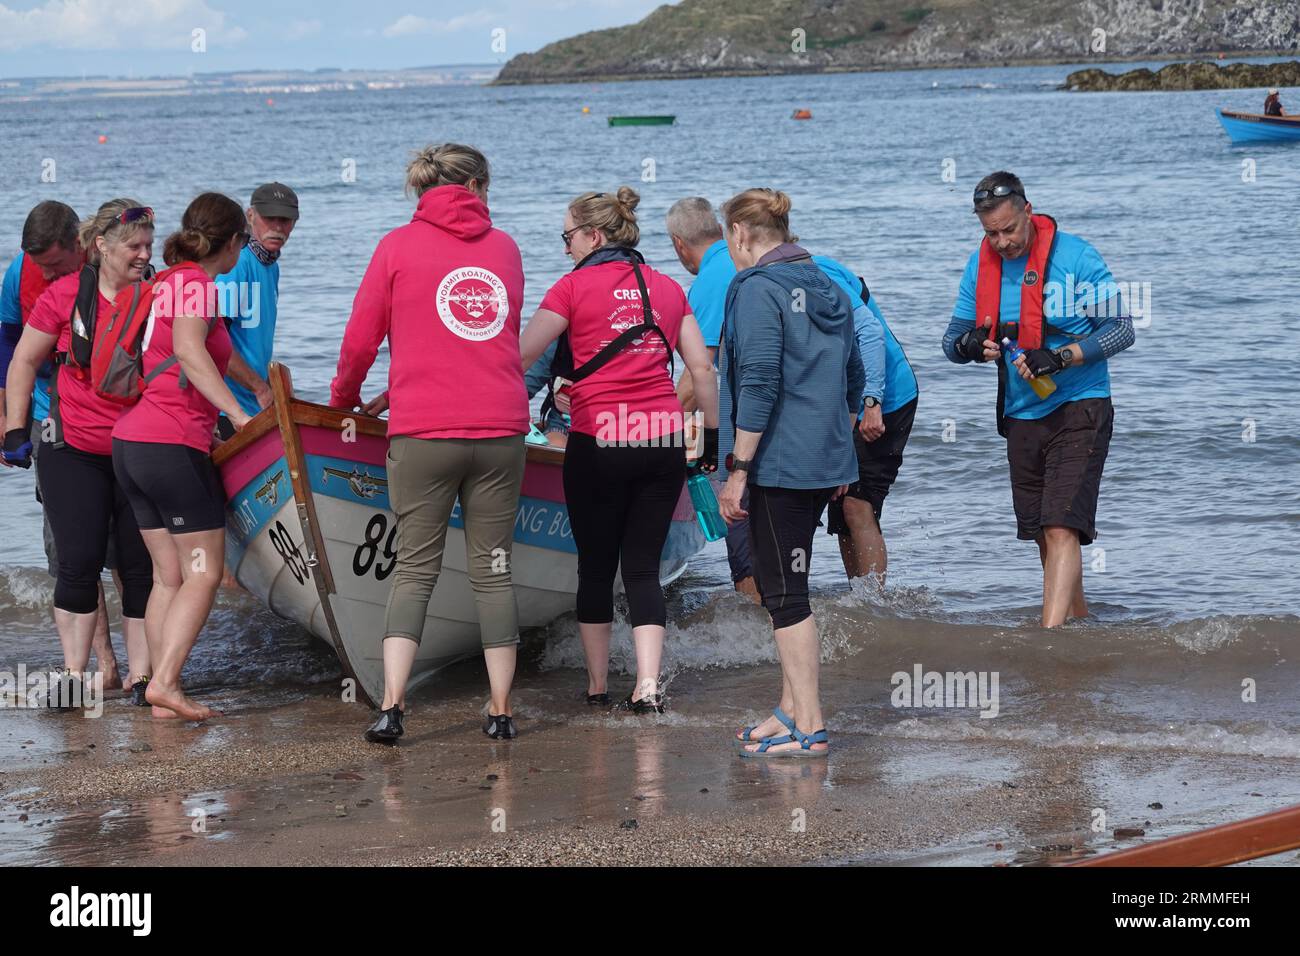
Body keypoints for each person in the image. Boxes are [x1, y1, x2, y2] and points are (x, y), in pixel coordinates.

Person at [330, 144, 529, 744]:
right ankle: (499, 712)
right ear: (475, 185)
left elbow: (361, 341)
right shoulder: (506, 248)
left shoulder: (396, 246)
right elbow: (492, 336)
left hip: (422, 432)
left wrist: (343, 401)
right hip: (499, 429)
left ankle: (391, 708)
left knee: (414, 569)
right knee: (494, 571)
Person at [520, 187, 718, 714]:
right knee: (643, 571)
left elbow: (521, 356)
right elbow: (701, 370)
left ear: (594, 235)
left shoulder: (570, 287)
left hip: (599, 441)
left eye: (568, 237)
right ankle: (649, 689)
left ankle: (597, 687)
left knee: (595, 567)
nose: (565, 248)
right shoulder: (668, 288)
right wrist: (713, 440)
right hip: (660, 441)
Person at [669, 197, 915, 589]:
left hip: (886, 393)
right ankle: (843, 612)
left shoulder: (796, 276)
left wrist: (870, 402)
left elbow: (865, 336)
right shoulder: (758, 272)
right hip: (835, 403)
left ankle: (868, 605)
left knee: (854, 506)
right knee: (815, 527)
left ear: (738, 234)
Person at [942, 171, 1135, 628]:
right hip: (1022, 413)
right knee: (1044, 536)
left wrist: (1062, 356)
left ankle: (1049, 641)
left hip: (1081, 404)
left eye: (1010, 229)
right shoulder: (980, 264)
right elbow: (950, 342)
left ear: (1028, 211)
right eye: (992, 233)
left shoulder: (1076, 256)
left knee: (1061, 525)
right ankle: (1080, 626)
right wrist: (971, 346)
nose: (1003, 242)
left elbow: (1122, 329)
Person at [716, 188, 862, 757]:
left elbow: (758, 382)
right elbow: (854, 376)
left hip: (776, 463)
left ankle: (813, 728)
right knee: (790, 587)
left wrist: (739, 469)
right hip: (822, 459)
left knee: (784, 595)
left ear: (740, 234)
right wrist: (836, 445)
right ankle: (789, 709)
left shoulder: (757, 290)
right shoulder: (828, 282)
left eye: (730, 239)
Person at [2, 200, 156, 707]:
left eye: (149, 246)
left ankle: (142, 678)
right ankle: (74, 678)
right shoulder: (65, 294)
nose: (143, 255)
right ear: (101, 246)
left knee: (139, 570)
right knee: (77, 563)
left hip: (140, 449)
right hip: (74, 450)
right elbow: (23, 359)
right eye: (134, 246)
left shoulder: (160, 295)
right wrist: (15, 428)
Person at [112, 192, 252, 721]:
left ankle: (158, 687)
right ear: (235, 241)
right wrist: (237, 417)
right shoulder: (197, 285)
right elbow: (191, 352)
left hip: (132, 444)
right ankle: (166, 684)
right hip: (170, 446)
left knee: (168, 576)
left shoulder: (167, 281)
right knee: (204, 573)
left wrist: (255, 386)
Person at [214, 182, 299, 435]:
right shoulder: (238, 262)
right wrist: (260, 389)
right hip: (226, 409)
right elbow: (214, 341)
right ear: (250, 216)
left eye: (285, 220)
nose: (277, 227)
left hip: (253, 404)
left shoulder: (271, 265)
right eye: (269, 218)